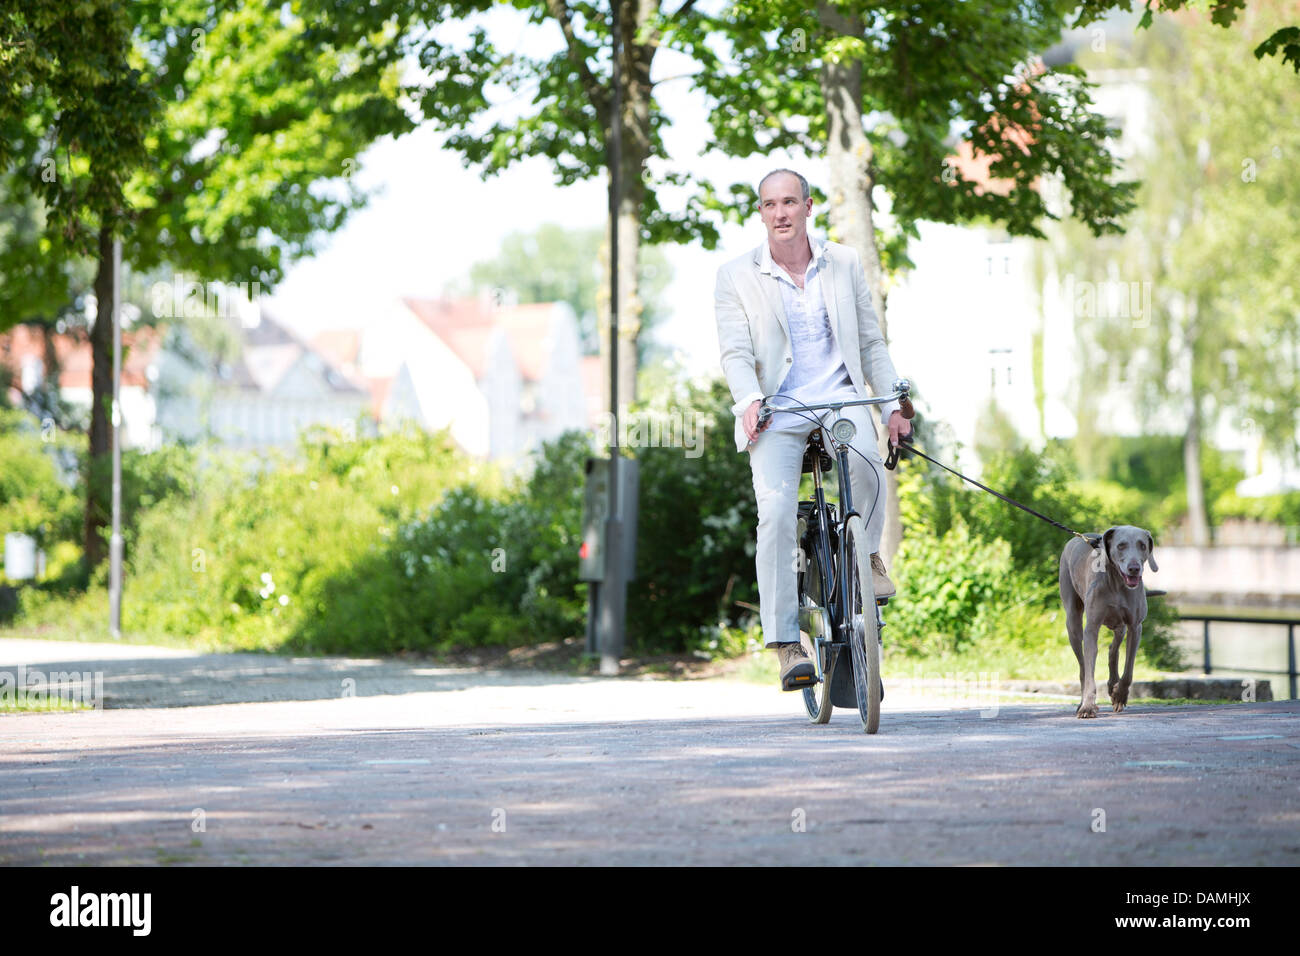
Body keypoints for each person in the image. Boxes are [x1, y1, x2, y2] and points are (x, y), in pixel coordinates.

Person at [714, 168, 912, 690]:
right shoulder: (735, 276)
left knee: (869, 463)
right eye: (768, 205)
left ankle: (867, 555)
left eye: (788, 202)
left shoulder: (842, 263)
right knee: (776, 513)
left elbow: (871, 342)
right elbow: (735, 353)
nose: (779, 213)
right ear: (761, 213)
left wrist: (892, 403)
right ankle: (786, 643)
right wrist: (748, 399)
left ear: (807, 206)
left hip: (841, 396)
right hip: (776, 407)